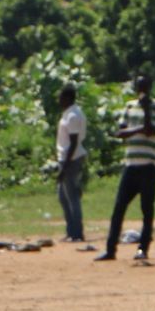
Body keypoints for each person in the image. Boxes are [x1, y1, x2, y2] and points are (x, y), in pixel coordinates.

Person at [97, 74, 155, 262]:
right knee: (119, 208)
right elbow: (120, 132)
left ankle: (143, 248)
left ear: (150, 88)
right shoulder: (129, 106)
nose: (142, 90)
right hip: (131, 165)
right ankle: (110, 249)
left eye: (145, 87)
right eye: (140, 87)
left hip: (148, 165)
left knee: (147, 209)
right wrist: (139, 129)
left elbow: (152, 130)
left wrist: (146, 112)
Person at [56, 84, 88, 243]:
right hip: (67, 157)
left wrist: (65, 167)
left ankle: (77, 233)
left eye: (61, 97)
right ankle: (71, 230)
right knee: (62, 196)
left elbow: (74, 142)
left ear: (68, 98)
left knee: (72, 196)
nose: (59, 100)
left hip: (71, 158)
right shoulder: (69, 113)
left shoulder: (73, 116)